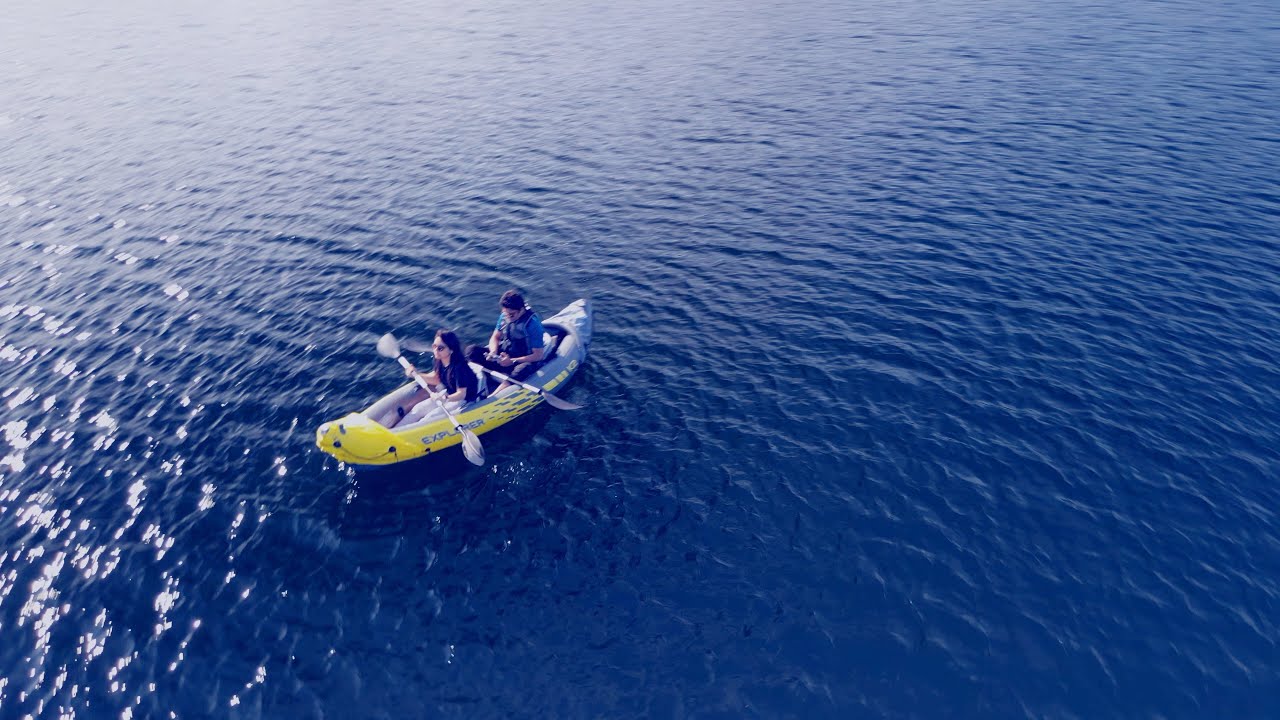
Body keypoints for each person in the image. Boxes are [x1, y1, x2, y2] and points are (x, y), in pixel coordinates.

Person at [467, 289, 546, 393]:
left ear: (521, 309)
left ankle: (494, 396)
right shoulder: (505, 315)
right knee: (471, 351)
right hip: (505, 355)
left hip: (522, 359)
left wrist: (512, 361)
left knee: (522, 370)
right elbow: (495, 337)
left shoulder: (532, 324)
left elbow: (538, 355)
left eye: (511, 315)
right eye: (505, 313)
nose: (508, 317)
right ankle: (476, 382)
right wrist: (493, 352)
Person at [400, 329, 479, 425]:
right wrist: (416, 374)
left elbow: (461, 394)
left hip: (463, 400)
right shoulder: (440, 359)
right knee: (418, 409)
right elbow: (436, 378)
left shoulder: (460, 368)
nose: (435, 351)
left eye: (440, 348)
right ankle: (393, 433)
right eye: (434, 346)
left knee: (431, 417)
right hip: (448, 394)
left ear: (451, 350)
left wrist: (445, 398)